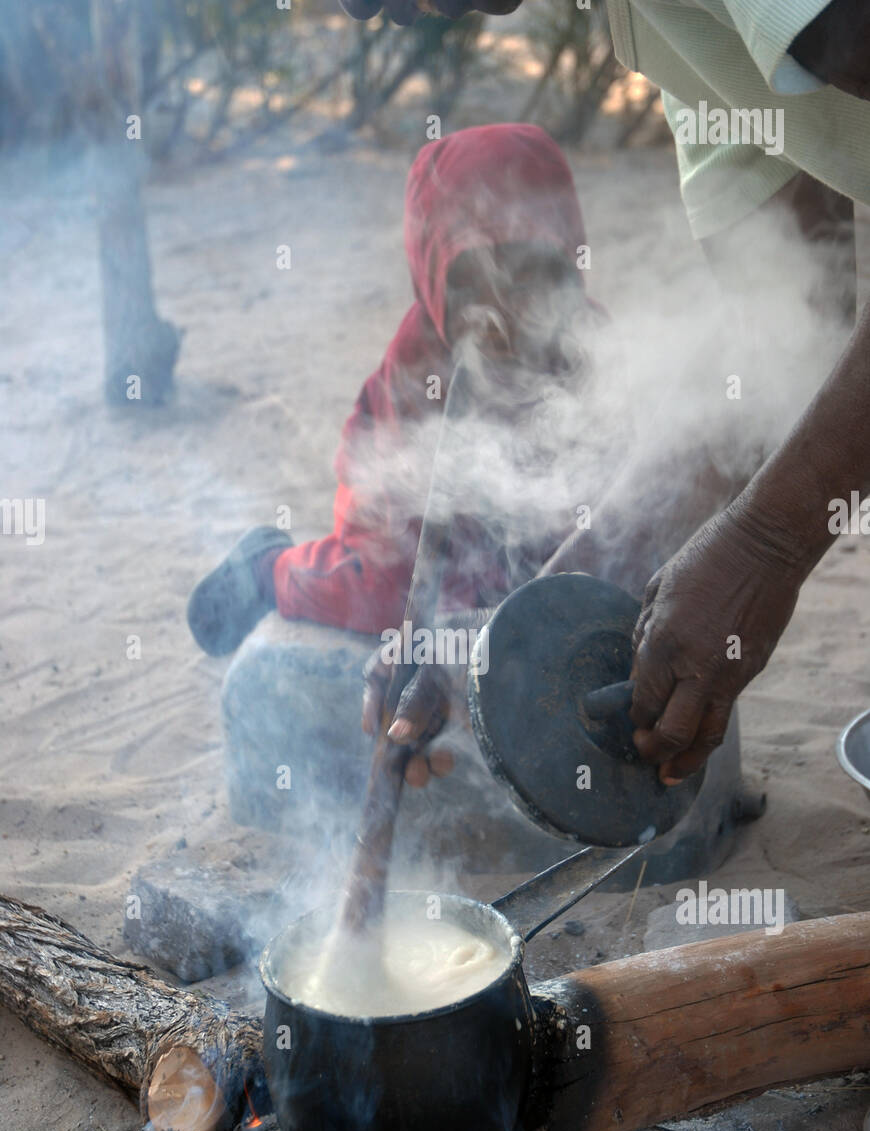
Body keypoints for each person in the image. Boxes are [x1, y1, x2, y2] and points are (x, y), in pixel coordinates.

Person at [339, 0, 870, 786]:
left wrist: (765, 544)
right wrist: (513, 635)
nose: (395, 13)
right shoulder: (667, 33)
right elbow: (791, 333)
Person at [188, 123, 607, 785]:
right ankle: (269, 569)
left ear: (568, 256)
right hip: (407, 518)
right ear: (433, 275)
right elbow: (418, 538)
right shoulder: (424, 360)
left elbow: (610, 492)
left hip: (527, 528)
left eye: (527, 275)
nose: (499, 313)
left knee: (583, 589)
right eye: (472, 283)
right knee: (384, 594)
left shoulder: (591, 345)